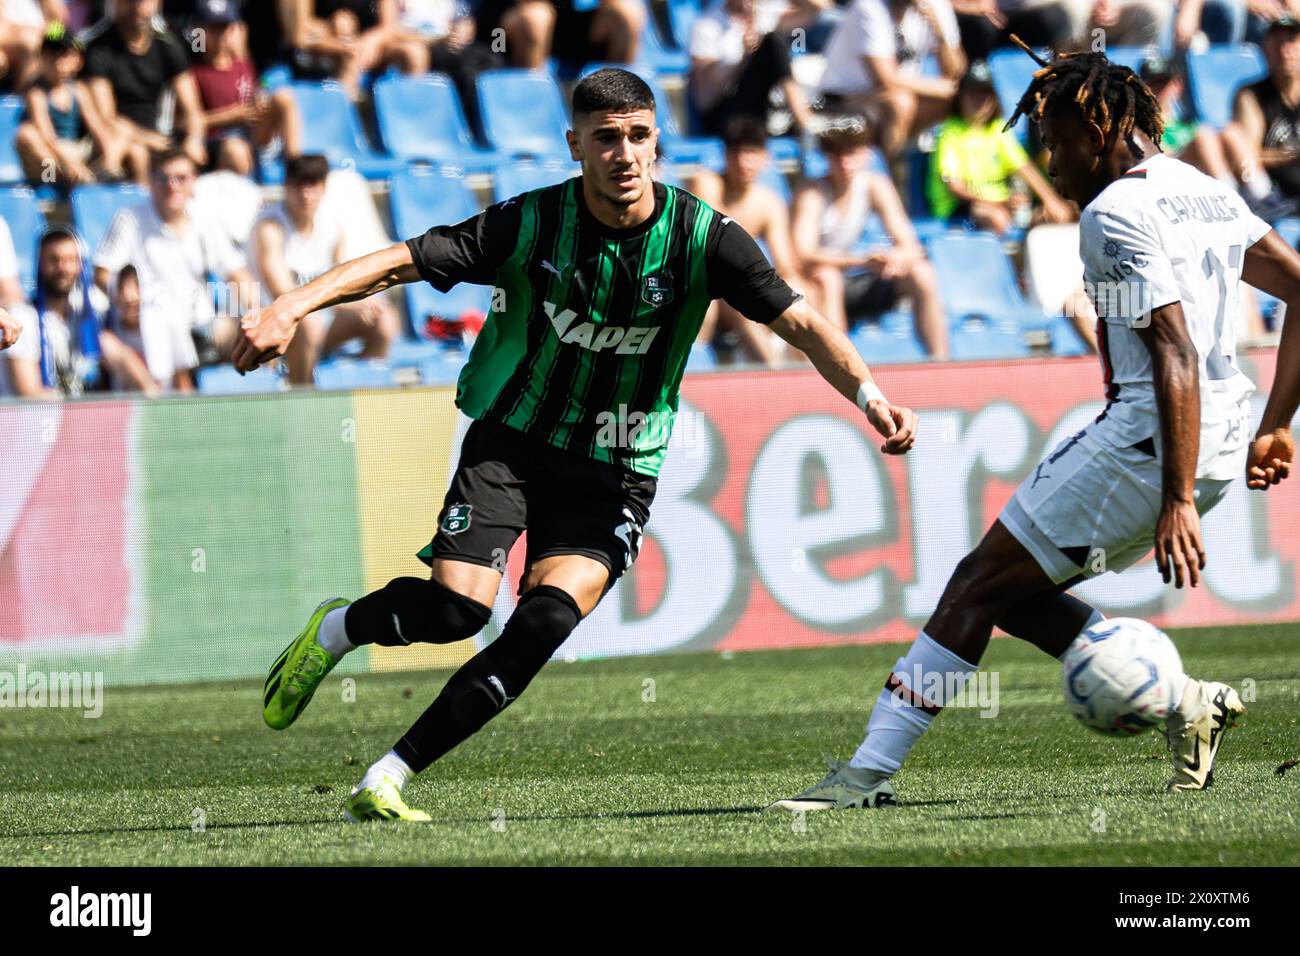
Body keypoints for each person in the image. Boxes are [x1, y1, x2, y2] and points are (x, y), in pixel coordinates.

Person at [237, 68, 919, 823]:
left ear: (656, 141)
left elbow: (799, 323)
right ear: (576, 146)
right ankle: (338, 629)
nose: (624, 154)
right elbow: (401, 261)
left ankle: (390, 773)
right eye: (605, 139)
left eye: (637, 136)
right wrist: (290, 307)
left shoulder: (704, 237)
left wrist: (870, 394)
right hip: (514, 444)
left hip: (616, 466)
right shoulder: (530, 224)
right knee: (458, 614)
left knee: (544, 621)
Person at [770, 45, 1300, 812]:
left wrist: (1177, 496)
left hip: (1152, 443)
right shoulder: (1202, 189)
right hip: (1214, 436)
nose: (1049, 163)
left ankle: (865, 776)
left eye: (1055, 141)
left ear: (1097, 125)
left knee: (974, 585)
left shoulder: (1114, 212)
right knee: (1012, 586)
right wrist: (1275, 424)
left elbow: (1173, 351)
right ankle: (1188, 704)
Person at [93, 148, 252, 391]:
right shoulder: (129, 220)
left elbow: (236, 273)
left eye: (181, 178)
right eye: (163, 178)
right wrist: (130, 298)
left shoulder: (205, 219)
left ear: (193, 182)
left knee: (254, 334)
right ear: (150, 182)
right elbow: (103, 273)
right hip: (148, 323)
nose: (172, 186)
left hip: (202, 324)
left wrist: (256, 313)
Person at [793, 121, 948, 356]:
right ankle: (842, 365)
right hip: (823, 283)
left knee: (922, 273)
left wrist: (896, 257)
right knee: (827, 277)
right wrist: (861, 261)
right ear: (827, 157)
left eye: (851, 154)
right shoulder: (812, 193)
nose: (845, 164)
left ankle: (940, 361)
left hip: (859, 279)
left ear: (865, 154)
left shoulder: (875, 185)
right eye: (838, 156)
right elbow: (804, 253)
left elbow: (909, 242)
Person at [250, 154, 398, 384]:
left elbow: (343, 283)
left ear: (323, 187)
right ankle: (305, 403)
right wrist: (337, 303)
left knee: (384, 319)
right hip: (277, 328)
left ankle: (363, 396)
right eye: (299, 185)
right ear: (286, 186)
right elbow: (285, 297)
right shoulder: (270, 228)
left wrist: (363, 303)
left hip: (320, 321)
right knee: (310, 323)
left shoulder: (331, 226)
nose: (305, 194)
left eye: (312, 185)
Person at [688, 117, 805, 365]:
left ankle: (807, 373)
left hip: (741, 284)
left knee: (800, 290)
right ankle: (775, 378)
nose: (744, 162)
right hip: (706, 282)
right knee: (738, 303)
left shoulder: (768, 202)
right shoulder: (707, 182)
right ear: (726, 156)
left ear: (765, 158)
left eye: (751, 153)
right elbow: (714, 242)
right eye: (737, 153)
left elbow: (785, 262)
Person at [2, 227, 155, 397]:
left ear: (80, 265)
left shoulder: (84, 316)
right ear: (41, 264)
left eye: (70, 260)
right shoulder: (24, 317)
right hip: (33, 420)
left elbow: (120, 356)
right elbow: (29, 393)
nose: (63, 268)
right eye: (54, 260)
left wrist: (151, 395)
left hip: (73, 416)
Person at [927, 59, 1073, 234]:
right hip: (960, 208)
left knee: (1057, 215)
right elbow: (955, 187)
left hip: (1003, 204)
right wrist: (999, 203)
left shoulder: (997, 129)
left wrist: (1051, 201)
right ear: (960, 97)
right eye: (972, 94)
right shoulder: (950, 132)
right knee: (996, 219)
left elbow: (1024, 167)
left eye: (985, 94)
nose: (979, 101)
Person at [817, 0, 966, 158]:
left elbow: (957, 73)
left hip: (894, 98)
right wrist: (941, 89)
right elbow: (885, 79)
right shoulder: (869, 6)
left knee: (962, 99)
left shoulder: (936, 6)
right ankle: (887, 174)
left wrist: (939, 32)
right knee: (900, 102)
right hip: (840, 99)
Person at [81, 0, 209, 176]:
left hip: (161, 138)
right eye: (129, 1)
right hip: (114, 140)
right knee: (138, 153)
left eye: (143, 1)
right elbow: (106, 119)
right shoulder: (97, 49)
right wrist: (148, 139)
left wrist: (195, 140)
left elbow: (193, 111)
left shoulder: (169, 45)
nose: (136, 7)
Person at [191, 0, 302, 178]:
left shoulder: (243, 65)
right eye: (213, 29)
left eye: (225, 28)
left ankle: (296, 173)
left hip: (251, 133)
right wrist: (234, 115)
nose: (221, 35)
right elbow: (184, 123)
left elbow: (253, 95)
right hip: (218, 141)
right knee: (236, 150)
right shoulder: (194, 72)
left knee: (284, 97)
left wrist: (259, 104)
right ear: (200, 32)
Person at [15, 27, 126, 187]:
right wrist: (70, 163)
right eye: (54, 57)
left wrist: (109, 156)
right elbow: (48, 138)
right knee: (27, 134)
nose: (61, 64)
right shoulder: (37, 94)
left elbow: (97, 127)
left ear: (78, 60)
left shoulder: (79, 90)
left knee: (121, 128)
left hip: (76, 149)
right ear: (42, 59)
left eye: (66, 56)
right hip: (53, 160)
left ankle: (104, 171)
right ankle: (59, 180)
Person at [689, 0, 815, 138]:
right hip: (723, 113)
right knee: (771, 42)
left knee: (773, 42)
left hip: (761, 108)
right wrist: (744, 58)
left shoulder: (766, 15)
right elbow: (705, 99)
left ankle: (803, 122)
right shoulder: (706, 26)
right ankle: (806, 125)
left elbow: (814, 9)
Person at [1223, 14, 1300, 224]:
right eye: (1277, 43)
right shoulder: (1252, 95)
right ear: (1265, 50)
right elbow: (1248, 155)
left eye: (1291, 42)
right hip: (1273, 191)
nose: (1285, 51)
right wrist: (1291, 157)